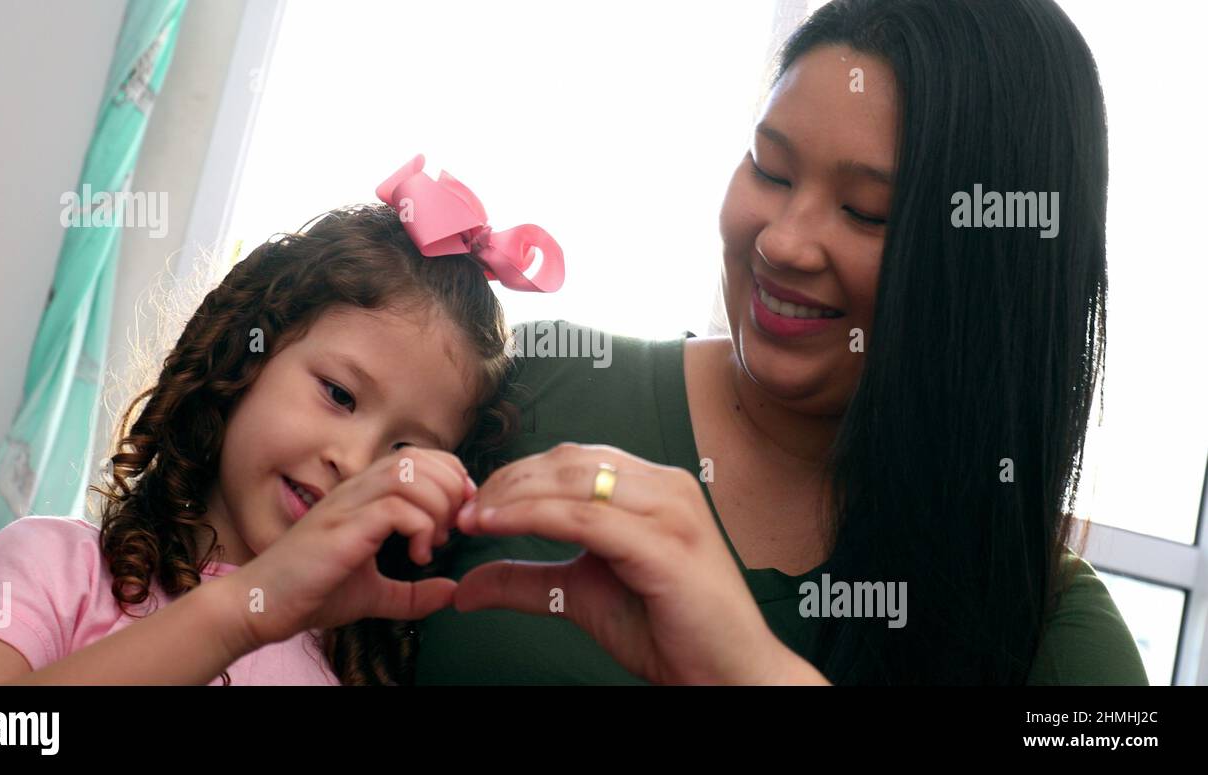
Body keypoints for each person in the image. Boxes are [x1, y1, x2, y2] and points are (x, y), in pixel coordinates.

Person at [414, 0, 1150, 685]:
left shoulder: (1059, 642)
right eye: (770, 168)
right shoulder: (531, 382)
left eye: (867, 211)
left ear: (996, 268)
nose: (784, 242)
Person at [0, 155, 561, 685]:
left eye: (404, 452)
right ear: (243, 359)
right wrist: (237, 616)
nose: (356, 461)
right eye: (338, 393)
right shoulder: (51, 567)